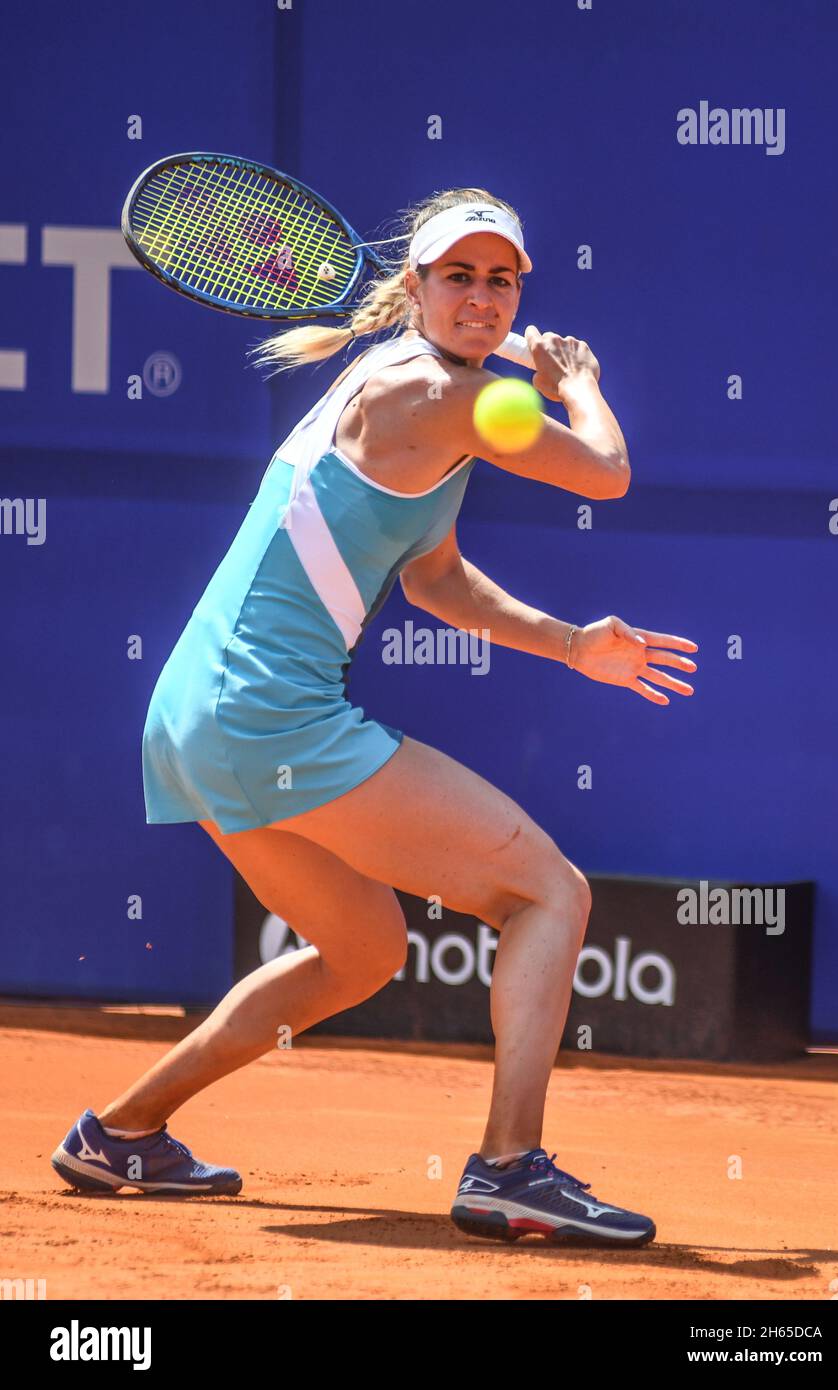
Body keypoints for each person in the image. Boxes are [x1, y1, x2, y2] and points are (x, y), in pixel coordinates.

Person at [51, 187, 697, 1246]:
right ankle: (507, 1166)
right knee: (547, 891)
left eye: (500, 280)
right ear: (418, 287)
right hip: (266, 716)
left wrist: (571, 644)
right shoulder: (443, 396)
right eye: (459, 277)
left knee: (359, 951)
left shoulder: (406, 387)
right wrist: (575, 382)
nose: (482, 299)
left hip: (198, 714)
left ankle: (120, 1131)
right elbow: (605, 471)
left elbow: (435, 578)